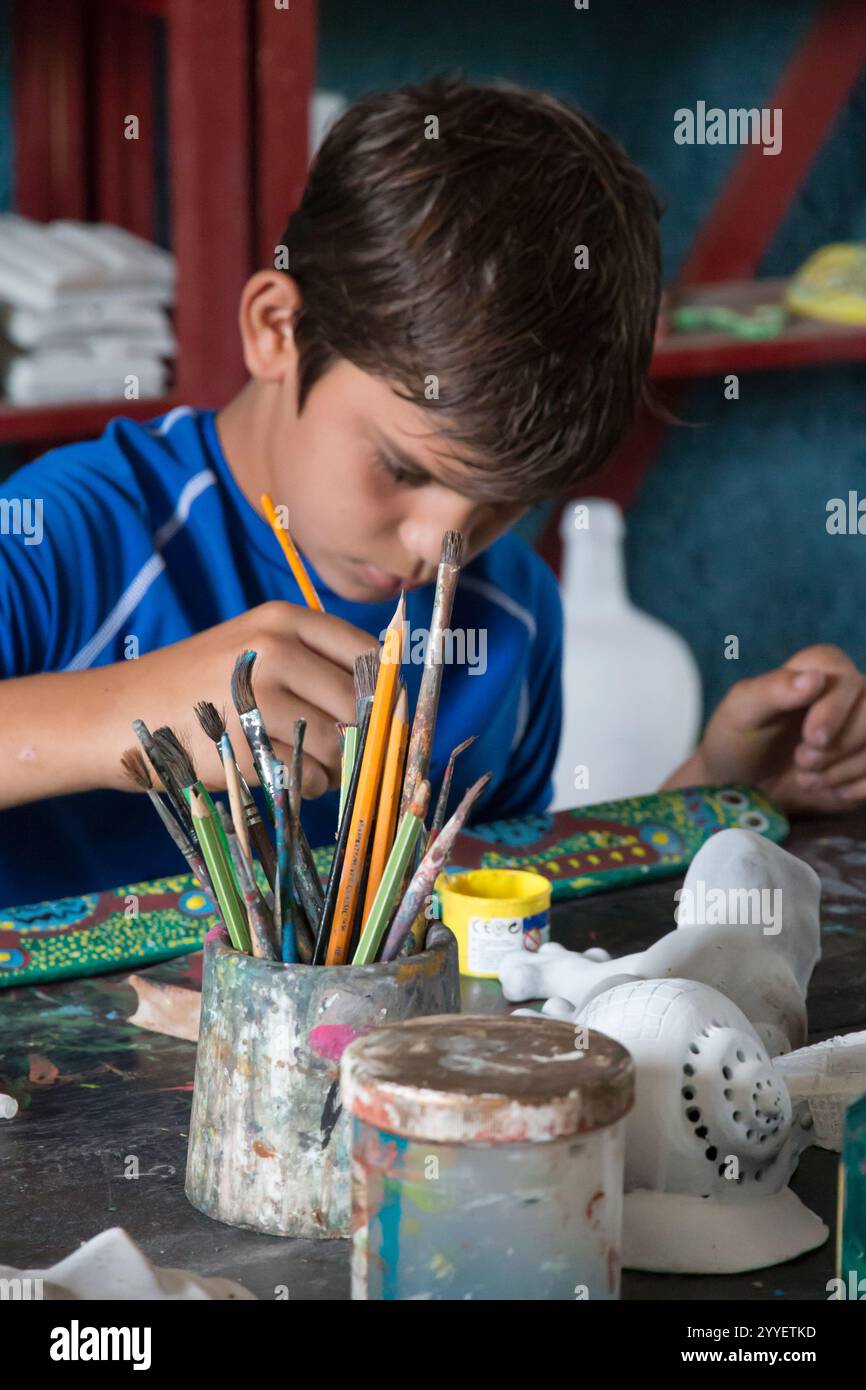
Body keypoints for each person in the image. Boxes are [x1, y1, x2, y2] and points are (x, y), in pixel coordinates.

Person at [0, 77, 862, 908]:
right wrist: (118, 713)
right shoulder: (74, 533)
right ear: (275, 330)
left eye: (505, 500)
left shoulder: (512, 614)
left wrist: (720, 793)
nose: (441, 547)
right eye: (404, 469)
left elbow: (495, 926)